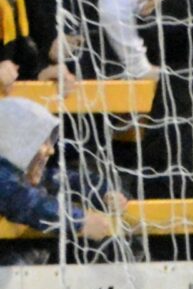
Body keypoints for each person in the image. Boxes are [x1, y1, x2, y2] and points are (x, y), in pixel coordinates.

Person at [0, 96, 119, 262]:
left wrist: (103, 191)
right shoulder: (4, 178)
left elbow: (60, 179)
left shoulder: (17, 174)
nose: (50, 151)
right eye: (41, 141)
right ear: (17, 141)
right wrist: (80, 220)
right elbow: (26, 203)